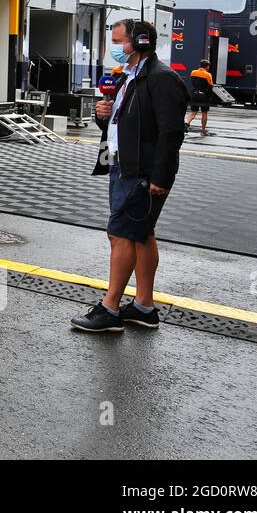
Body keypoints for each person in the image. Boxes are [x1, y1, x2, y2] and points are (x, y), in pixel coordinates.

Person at [72, 19, 187, 333]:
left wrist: (161, 176)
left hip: (142, 172)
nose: (116, 49)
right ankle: (143, 307)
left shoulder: (162, 79)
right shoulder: (127, 78)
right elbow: (122, 127)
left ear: (140, 42)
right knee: (141, 234)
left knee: (120, 234)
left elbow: (171, 132)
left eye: (120, 41)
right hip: (120, 165)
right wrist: (103, 118)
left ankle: (109, 308)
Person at [185, 59, 215, 136]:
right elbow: (210, 86)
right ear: (207, 66)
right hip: (204, 96)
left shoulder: (193, 72)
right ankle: (203, 130)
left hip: (194, 94)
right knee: (204, 113)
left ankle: (187, 123)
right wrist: (210, 97)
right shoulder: (208, 75)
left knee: (193, 112)